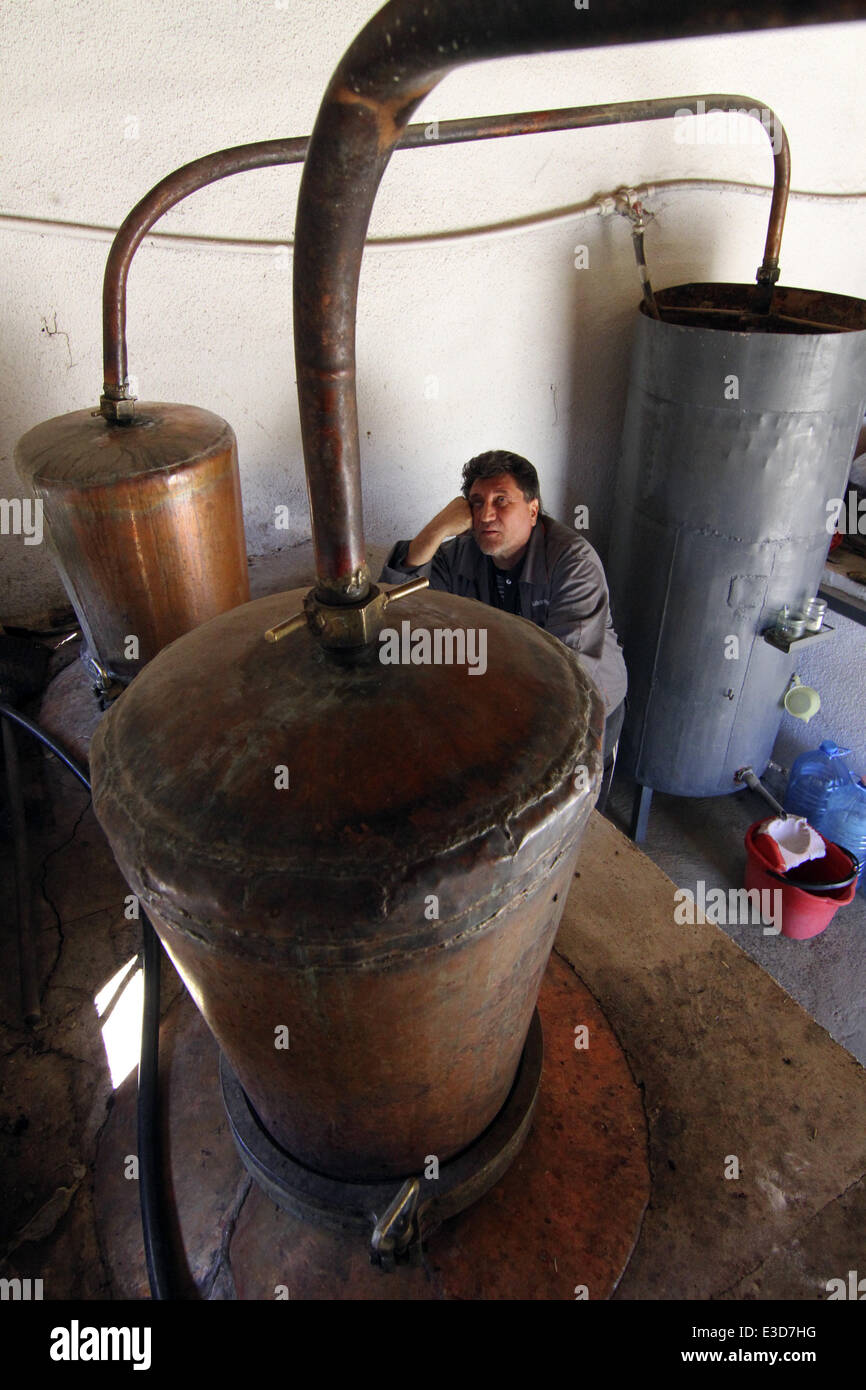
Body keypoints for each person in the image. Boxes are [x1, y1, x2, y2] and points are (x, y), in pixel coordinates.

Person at [380, 449, 627, 807]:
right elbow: (398, 616)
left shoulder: (573, 562)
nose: (485, 515)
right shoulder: (459, 554)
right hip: (502, 702)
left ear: (532, 509)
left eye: (501, 501)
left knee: (578, 805)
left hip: (586, 702)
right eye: (476, 504)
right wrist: (436, 530)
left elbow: (568, 675)